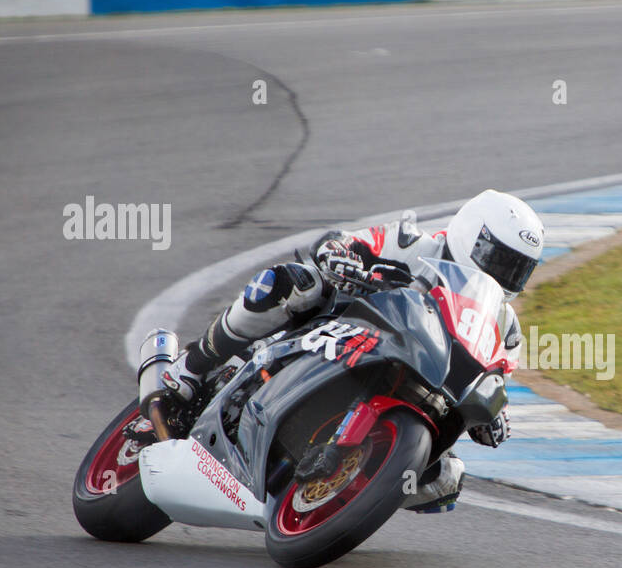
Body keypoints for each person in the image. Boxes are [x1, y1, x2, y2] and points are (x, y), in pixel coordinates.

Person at [158, 190, 546, 513]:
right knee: (294, 282)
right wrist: (341, 255)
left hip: (416, 384)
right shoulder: (416, 244)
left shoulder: (506, 330)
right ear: (469, 233)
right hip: (344, 328)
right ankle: (191, 367)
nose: (503, 274)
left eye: (516, 269)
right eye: (498, 258)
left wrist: (493, 417)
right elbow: (346, 241)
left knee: (447, 480)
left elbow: (492, 378)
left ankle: (353, 491)